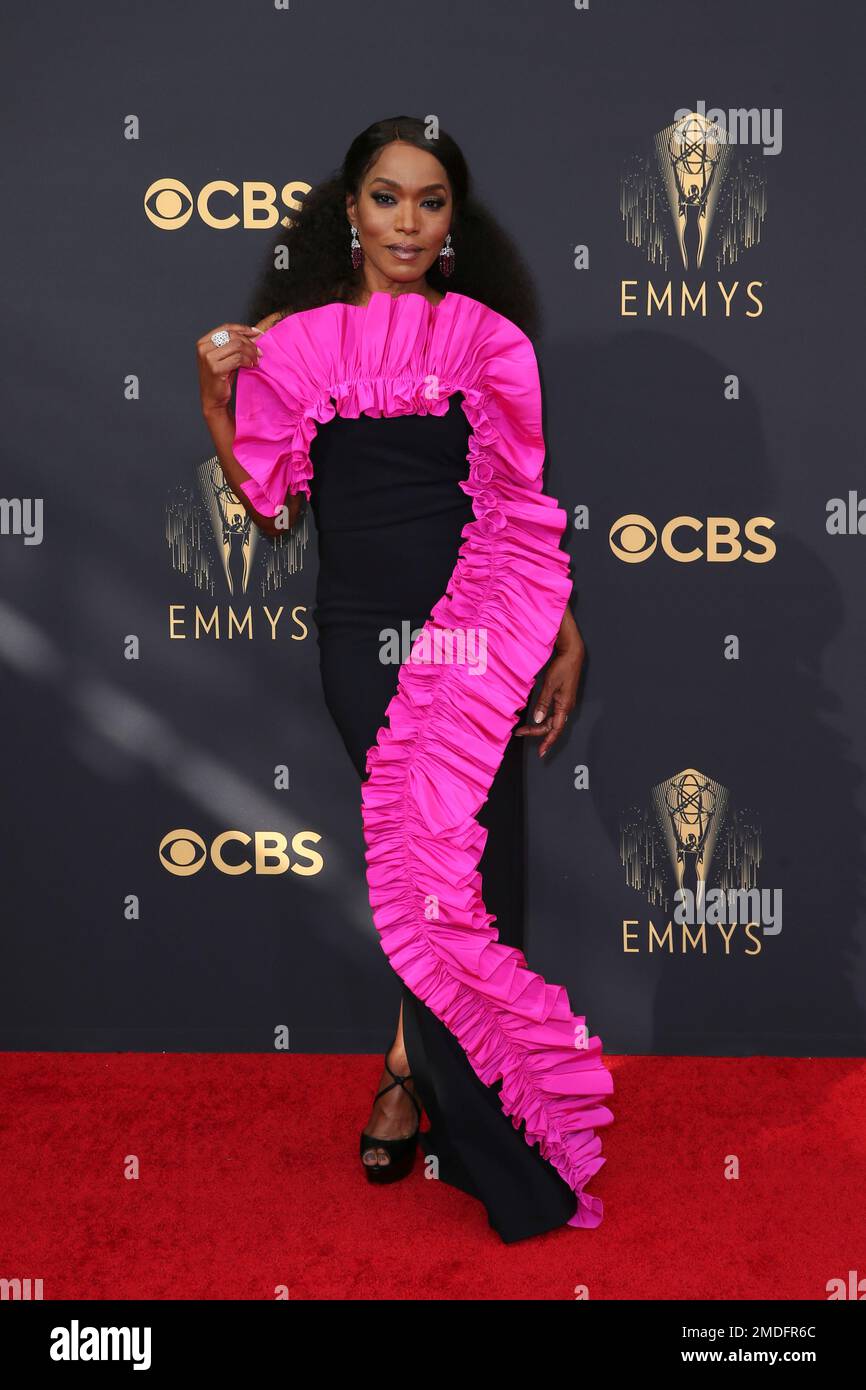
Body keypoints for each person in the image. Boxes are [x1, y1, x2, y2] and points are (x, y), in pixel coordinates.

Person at [197, 115, 614, 1242]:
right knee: (422, 871)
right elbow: (271, 499)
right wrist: (213, 391)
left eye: (429, 202)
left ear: (450, 223)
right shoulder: (294, 341)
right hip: (359, 637)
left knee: (468, 877)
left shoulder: (488, 343)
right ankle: (461, 1113)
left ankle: (428, 1086)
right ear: (351, 210)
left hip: (476, 631)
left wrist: (559, 628)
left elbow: (511, 507)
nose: (406, 222)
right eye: (386, 198)